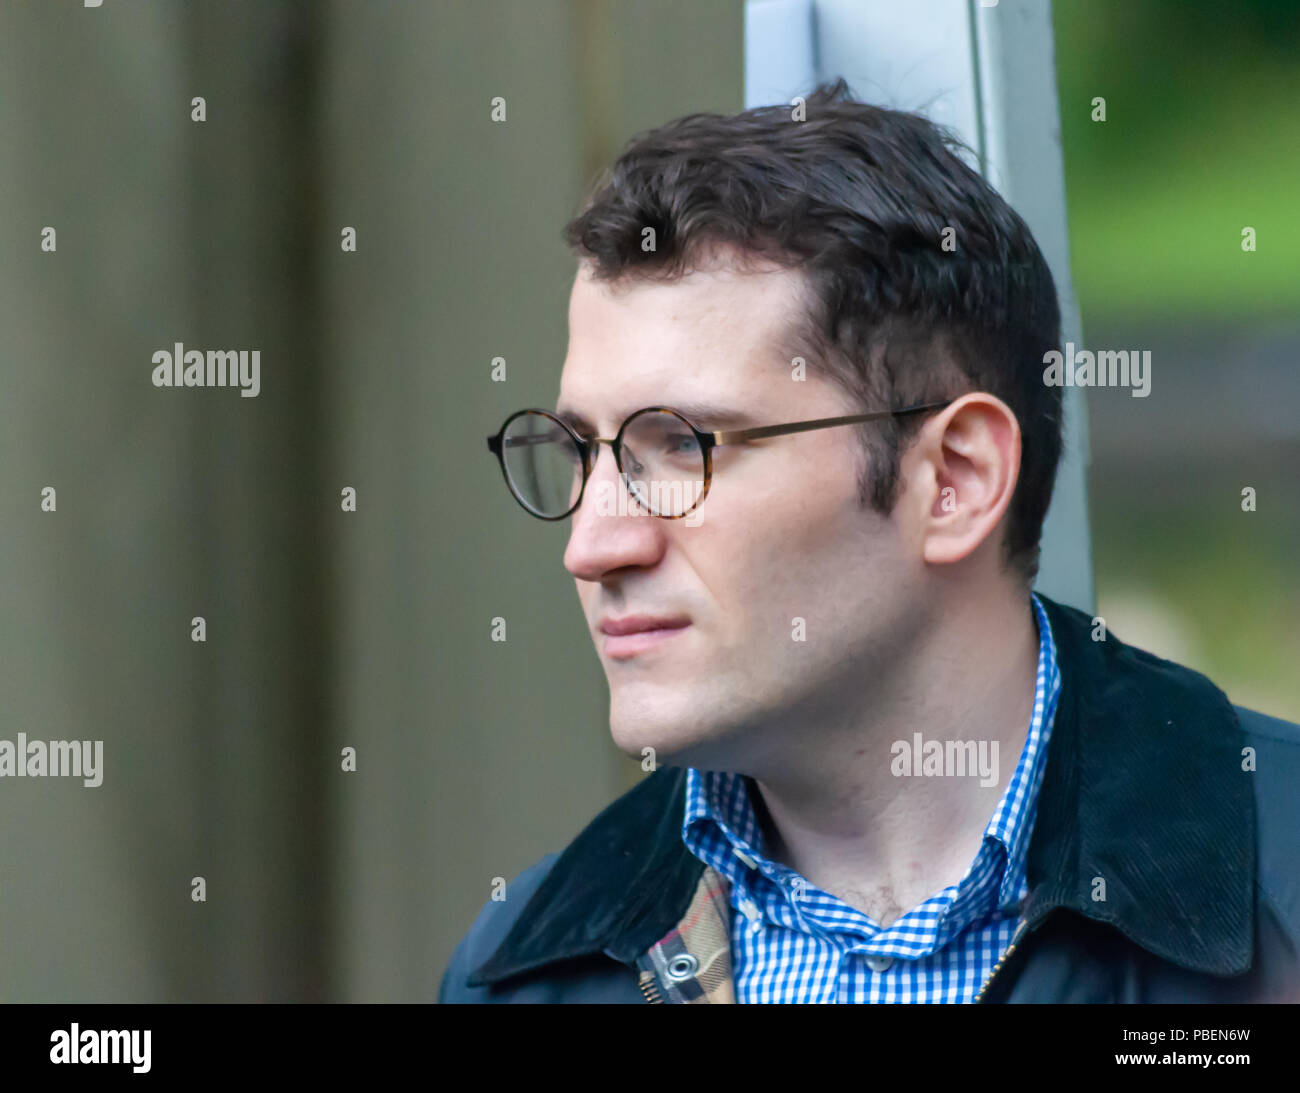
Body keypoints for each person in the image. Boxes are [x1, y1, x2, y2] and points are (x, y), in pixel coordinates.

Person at [440, 80, 1300, 1003]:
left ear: (954, 480)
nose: (593, 545)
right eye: (577, 451)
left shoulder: (1274, 894)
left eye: (680, 446)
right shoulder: (520, 973)